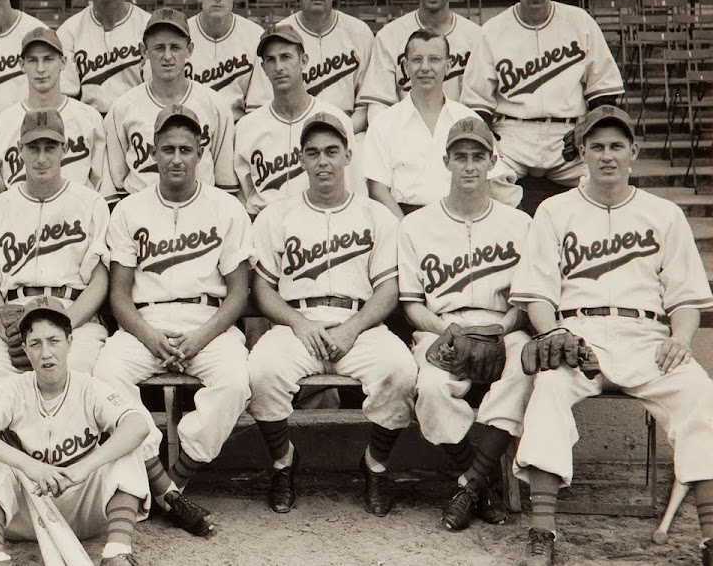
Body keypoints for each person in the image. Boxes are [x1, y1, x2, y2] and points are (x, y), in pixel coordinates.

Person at [508, 105, 713, 566]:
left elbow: (686, 300)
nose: (607, 155)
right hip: (578, 333)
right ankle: (543, 533)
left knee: (702, 394)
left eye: (616, 146)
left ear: (634, 152)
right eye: (596, 146)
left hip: (646, 334)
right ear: (581, 152)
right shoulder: (553, 210)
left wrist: (680, 338)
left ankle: (709, 537)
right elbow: (537, 293)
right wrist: (555, 331)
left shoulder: (664, 214)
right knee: (548, 391)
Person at [245, 111, 416, 517]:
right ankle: (283, 462)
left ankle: (375, 465)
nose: (322, 161)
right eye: (313, 152)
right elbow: (262, 288)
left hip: (359, 322)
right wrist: (298, 323)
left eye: (332, 151)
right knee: (261, 371)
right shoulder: (277, 214)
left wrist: (354, 328)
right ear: (300, 159)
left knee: (400, 370)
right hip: (297, 322)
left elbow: (388, 288)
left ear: (347, 157)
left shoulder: (375, 214)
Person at [94, 104, 253, 536]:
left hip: (207, 318)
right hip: (145, 321)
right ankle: (163, 485)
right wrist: (148, 336)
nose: (177, 158)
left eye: (186, 148)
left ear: (201, 151)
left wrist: (201, 337)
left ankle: (175, 478)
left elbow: (239, 292)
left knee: (237, 381)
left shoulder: (227, 208)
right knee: (106, 375)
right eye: (168, 149)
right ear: (152, 152)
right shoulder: (129, 209)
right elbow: (119, 296)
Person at [397, 117, 533, 532]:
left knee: (525, 370)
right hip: (444, 326)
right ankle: (482, 481)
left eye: (478, 156)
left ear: (492, 161)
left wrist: (505, 328)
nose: (469, 166)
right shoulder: (416, 224)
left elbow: (528, 299)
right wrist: (444, 331)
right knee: (432, 389)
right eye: (461, 157)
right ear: (447, 162)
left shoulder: (520, 223)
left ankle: (469, 486)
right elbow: (411, 304)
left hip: (502, 325)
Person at [0, 296, 150, 566]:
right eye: (35, 344)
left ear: (70, 343)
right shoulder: (12, 388)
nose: (45, 353)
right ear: (24, 348)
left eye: (54, 341)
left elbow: (138, 425)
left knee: (126, 447)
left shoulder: (89, 386)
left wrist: (84, 468)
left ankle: (116, 553)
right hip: (25, 511)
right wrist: (29, 466)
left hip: (84, 509)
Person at [460, 0, 623, 209]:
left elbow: (605, 89)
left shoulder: (580, 22)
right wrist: (490, 139)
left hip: (568, 134)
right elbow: (477, 100)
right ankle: (526, 229)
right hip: (513, 133)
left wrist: (588, 128)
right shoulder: (493, 30)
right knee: (483, 176)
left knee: (613, 175)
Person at [0, 108, 111, 400]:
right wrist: (6, 332)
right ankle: (13, 446)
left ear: (65, 149)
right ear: (20, 150)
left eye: (50, 147)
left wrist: (63, 323)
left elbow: (99, 281)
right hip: (14, 315)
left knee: (79, 366)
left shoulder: (91, 203)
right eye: (33, 148)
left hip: (72, 314)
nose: (42, 157)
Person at [104, 8, 237, 202]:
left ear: (189, 50)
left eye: (175, 47)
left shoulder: (215, 104)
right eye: (159, 48)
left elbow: (225, 182)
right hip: (142, 210)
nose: (167, 56)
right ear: (144, 51)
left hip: (202, 209)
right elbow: (118, 182)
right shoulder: (123, 107)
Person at [234, 24, 355, 215]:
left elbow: (352, 188)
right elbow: (244, 194)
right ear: (264, 68)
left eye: (286, 57)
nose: (279, 67)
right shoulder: (246, 127)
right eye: (270, 60)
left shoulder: (336, 119)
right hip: (264, 224)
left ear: (303, 61)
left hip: (320, 221)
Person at [362, 29, 482, 219]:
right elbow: (378, 190)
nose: (425, 67)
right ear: (406, 66)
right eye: (417, 60)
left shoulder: (468, 120)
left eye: (434, 59)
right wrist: (405, 231)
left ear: (448, 66)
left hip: (460, 218)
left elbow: (487, 182)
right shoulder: (384, 124)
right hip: (404, 217)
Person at [358, 0, 481, 125]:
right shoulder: (389, 36)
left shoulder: (476, 36)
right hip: (405, 131)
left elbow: (479, 103)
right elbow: (379, 104)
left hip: (459, 132)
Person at [0, 27, 110, 196]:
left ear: (63, 62)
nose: (40, 69)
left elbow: (103, 190)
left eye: (48, 59)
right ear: (22, 65)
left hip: (76, 217)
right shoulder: (1, 126)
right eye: (32, 60)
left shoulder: (89, 118)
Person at [276, 0, 374, 135]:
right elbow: (267, 105)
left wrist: (338, 136)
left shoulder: (360, 32)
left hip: (348, 133)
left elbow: (364, 108)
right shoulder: (280, 33)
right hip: (293, 134)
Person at [57, 0, 151, 116]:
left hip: (137, 118)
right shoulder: (69, 31)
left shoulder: (147, 25)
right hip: (90, 122)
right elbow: (66, 95)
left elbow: (156, 89)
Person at [187, 0, 268, 121]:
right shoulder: (182, 34)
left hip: (238, 129)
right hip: (190, 131)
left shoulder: (254, 35)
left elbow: (258, 108)